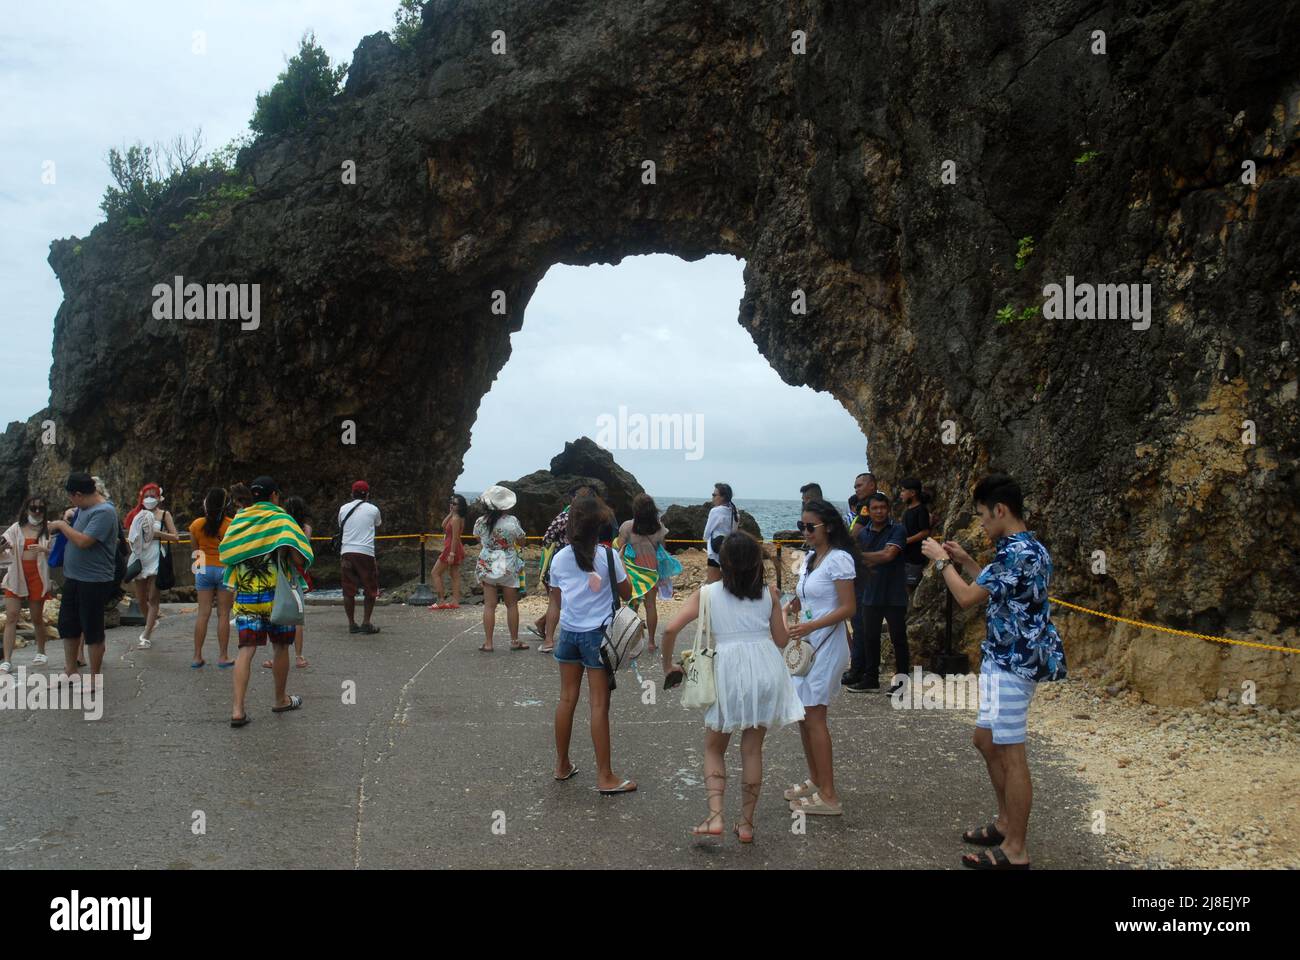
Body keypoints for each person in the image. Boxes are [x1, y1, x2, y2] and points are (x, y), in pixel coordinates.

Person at [920, 473, 1067, 870]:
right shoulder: (1022, 547)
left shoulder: (1016, 553)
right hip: (1004, 658)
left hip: (1015, 662)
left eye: (984, 516)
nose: (982, 523)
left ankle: (1016, 849)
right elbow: (998, 586)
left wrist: (943, 562)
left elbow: (967, 598)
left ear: (1001, 510)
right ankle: (1005, 822)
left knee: (1012, 753)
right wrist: (967, 561)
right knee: (985, 741)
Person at [662, 531, 803, 841]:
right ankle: (747, 825)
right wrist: (779, 607)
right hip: (765, 669)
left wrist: (669, 665)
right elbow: (781, 640)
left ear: (723, 562)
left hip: (727, 669)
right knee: (752, 749)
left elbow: (670, 629)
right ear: (756, 562)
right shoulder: (768, 593)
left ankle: (715, 818)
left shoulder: (708, 593)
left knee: (714, 748)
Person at [549, 496, 635, 794]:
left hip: (569, 634)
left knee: (566, 699)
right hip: (598, 637)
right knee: (598, 705)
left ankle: (561, 765)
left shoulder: (559, 558)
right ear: (599, 527)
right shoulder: (609, 557)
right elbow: (627, 591)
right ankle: (605, 776)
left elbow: (557, 599)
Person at [782, 499, 858, 817]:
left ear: (828, 526)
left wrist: (811, 624)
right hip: (809, 642)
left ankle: (829, 795)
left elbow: (848, 607)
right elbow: (808, 595)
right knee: (803, 715)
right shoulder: (813, 558)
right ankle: (816, 779)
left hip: (825, 644)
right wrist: (791, 607)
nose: (805, 531)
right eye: (802, 526)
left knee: (815, 716)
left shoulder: (839, 559)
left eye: (810, 526)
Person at [220, 476, 313, 727]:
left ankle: (237, 710)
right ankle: (280, 699)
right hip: (278, 596)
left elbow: (228, 553)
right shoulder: (282, 520)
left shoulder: (240, 519)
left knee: (245, 650)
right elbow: (298, 558)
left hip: (248, 594)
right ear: (274, 496)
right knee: (281, 647)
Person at [46, 473, 119, 690]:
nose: (71, 502)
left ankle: (95, 677)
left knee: (93, 628)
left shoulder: (105, 512)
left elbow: (84, 541)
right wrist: (69, 516)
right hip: (74, 577)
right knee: (68, 625)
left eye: (71, 498)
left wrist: (60, 524)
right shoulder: (82, 509)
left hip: (94, 579)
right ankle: (70, 671)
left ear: (78, 494)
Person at [845, 492, 909, 695]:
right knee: (869, 637)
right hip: (870, 593)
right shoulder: (863, 535)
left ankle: (901, 683)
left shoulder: (898, 530)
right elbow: (864, 562)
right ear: (868, 511)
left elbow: (888, 555)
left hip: (895, 594)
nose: (879, 511)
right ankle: (870, 679)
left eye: (883, 507)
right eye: (875, 508)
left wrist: (860, 557)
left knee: (898, 638)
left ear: (888, 509)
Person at [530, 483, 594, 648]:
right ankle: (585, 637)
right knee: (582, 598)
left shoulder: (563, 518)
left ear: (573, 499)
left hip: (562, 562)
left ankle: (549, 639)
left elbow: (546, 539)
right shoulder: (591, 519)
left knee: (555, 601)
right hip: (584, 562)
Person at [1, 496, 53, 672]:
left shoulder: (48, 528)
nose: (37, 512)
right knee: (11, 616)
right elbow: (3, 544)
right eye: (33, 508)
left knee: (37, 617)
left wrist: (44, 549)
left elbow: (58, 552)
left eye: (41, 509)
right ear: (26, 509)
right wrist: (4, 546)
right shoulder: (16, 528)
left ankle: (41, 651)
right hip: (17, 575)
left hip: (37, 575)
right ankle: (7, 659)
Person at [124, 482, 179, 650]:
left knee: (153, 597)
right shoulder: (137, 515)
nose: (149, 499)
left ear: (159, 497)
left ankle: (146, 634)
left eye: (152, 496)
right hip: (141, 556)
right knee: (140, 598)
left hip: (156, 556)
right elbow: (131, 535)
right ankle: (151, 621)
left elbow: (175, 537)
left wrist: (157, 534)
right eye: (146, 496)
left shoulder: (164, 515)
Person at [473, 485, 527, 651]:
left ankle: (488, 643)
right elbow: (521, 540)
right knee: (511, 604)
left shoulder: (481, 521)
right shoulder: (512, 522)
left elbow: (477, 538)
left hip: (488, 562)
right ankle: (514, 640)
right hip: (507, 563)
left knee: (490, 605)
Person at [189, 487, 235, 669]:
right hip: (224, 568)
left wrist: (198, 570)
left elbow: (195, 551)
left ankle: (197, 656)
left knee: (203, 613)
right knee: (223, 614)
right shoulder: (231, 524)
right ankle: (223, 657)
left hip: (203, 568)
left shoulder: (196, 525)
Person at [265, 496, 312, 670]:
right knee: (297, 614)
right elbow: (304, 548)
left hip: (281, 571)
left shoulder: (282, 526)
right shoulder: (305, 528)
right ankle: (299, 656)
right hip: (298, 571)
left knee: (277, 612)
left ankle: (275, 656)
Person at [617, 494, 668, 651]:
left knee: (633, 607)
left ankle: (633, 643)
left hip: (633, 573)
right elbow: (663, 549)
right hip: (651, 573)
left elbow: (620, 547)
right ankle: (651, 642)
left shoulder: (627, 526)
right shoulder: (659, 527)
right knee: (651, 606)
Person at [338, 480, 382, 635]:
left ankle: (351, 623)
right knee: (370, 588)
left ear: (352, 493)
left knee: (348, 589)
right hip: (366, 552)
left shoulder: (343, 509)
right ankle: (366, 622)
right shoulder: (373, 509)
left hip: (347, 551)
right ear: (367, 495)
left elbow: (341, 525)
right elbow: (377, 523)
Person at [429, 494, 467, 609]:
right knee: (454, 574)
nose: (451, 504)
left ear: (460, 507)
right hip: (454, 547)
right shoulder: (456, 517)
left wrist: (451, 553)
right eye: (451, 502)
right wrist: (450, 513)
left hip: (451, 547)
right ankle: (455, 602)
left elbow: (455, 537)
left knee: (435, 573)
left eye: (454, 503)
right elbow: (443, 525)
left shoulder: (456, 519)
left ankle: (441, 600)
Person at [899, 477, 933, 595]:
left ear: (912, 493)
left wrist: (907, 540)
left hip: (915, 557)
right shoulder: (908, 510)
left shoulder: (921, 510)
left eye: (903, 491)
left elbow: (925, 532)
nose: (901, 494)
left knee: (910, 589)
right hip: (906, 556)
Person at [703, 483, 738, 584]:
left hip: (715, 549)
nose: (712, 498)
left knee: (712, 582)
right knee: (728, 582)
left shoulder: (716, 511)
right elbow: (734, 531)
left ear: (723, 497)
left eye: (714, 495)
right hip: (730, 547)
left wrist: (705, 540)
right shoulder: (734, 511)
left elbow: (707, 531)